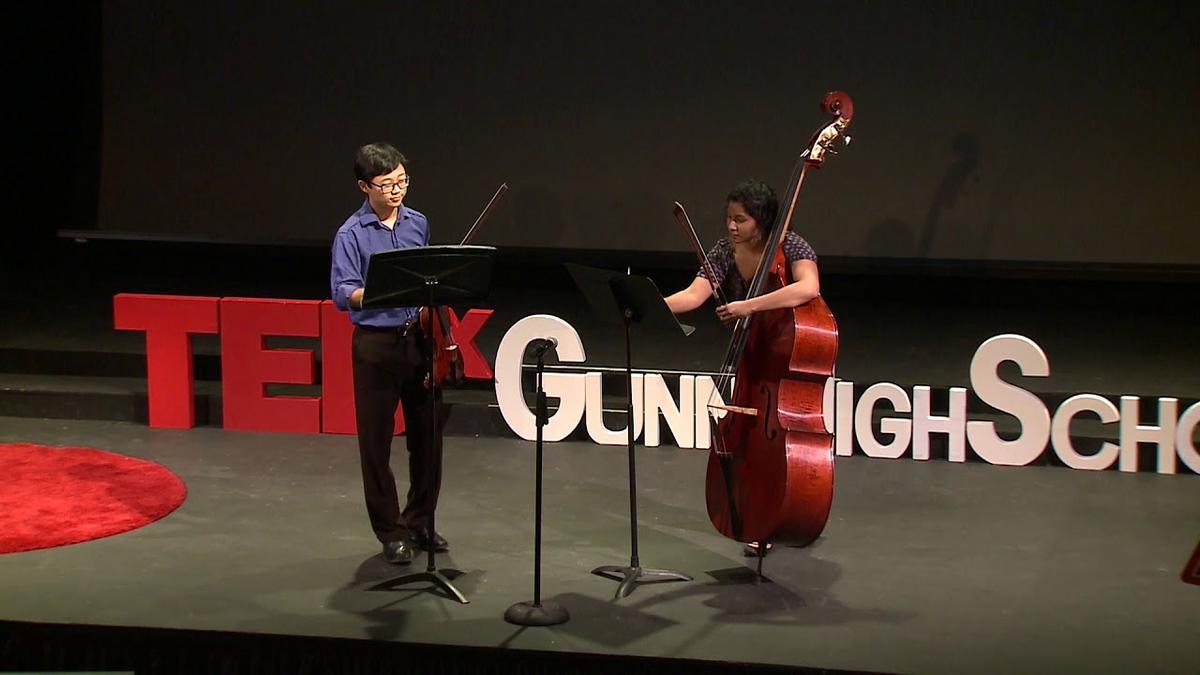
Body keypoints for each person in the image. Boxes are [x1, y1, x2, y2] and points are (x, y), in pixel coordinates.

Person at [663, 179, 821, 556]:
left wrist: (748, 306)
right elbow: (693, 295)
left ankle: (785, 507)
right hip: (749, 357)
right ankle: (757, 514)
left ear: (762, 220)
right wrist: (650, 304)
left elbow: (807, 289)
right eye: (729, 219)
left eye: (742, 220)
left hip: (785, 352)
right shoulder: (724, 251)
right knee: (748, 440)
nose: (732, 227)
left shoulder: (791, 245)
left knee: (780, 442)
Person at [331, 142, 449, 565]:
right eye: (387, 185)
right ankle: (390, 530)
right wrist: (384, 292)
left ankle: (419, 519)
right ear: (365, 186)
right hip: (376, 347)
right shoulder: (351, 234)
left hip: (419, 340)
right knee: (376, 445)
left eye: (402, 181)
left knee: (429, 438)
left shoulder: (418, 224)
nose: (397, 191)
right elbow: (343, 293)